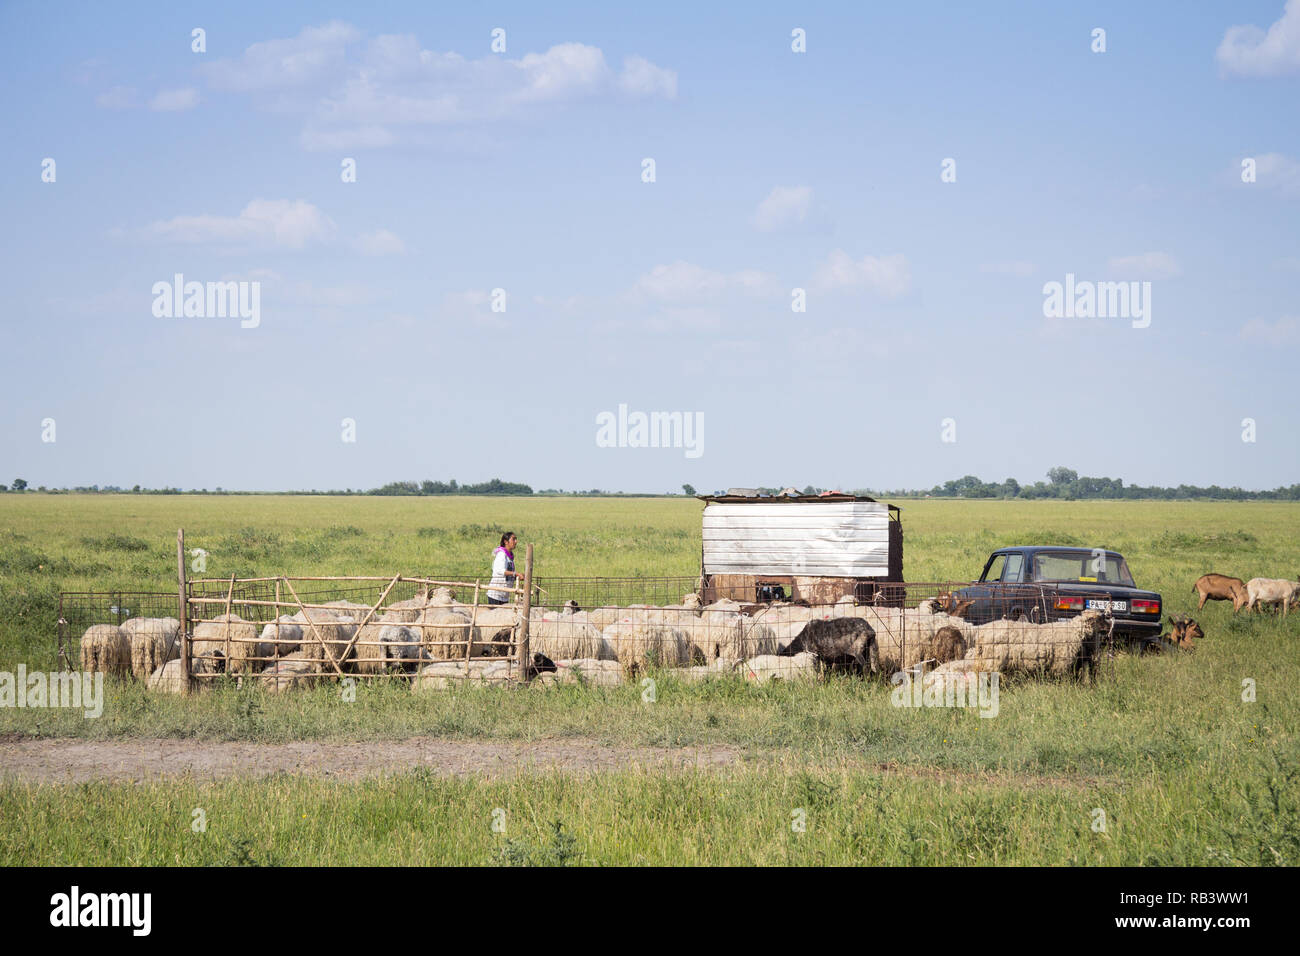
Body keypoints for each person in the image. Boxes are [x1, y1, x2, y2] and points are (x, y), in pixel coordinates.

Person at [487, 532, 520, 605]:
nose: (516, 542)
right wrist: (516, 574)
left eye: (516, 539)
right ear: (506, 541)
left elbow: (508, 574)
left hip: (504, 594)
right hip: (496, 594)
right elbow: (500, 570)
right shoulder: (502, 555)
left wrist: (516, 576)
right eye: (513, 539)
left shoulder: (510, 557)